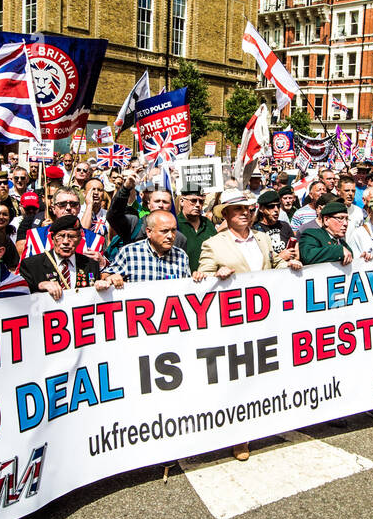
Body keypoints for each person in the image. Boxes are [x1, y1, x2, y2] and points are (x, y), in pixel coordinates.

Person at [194, 190, 301, 459]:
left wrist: (290, 264)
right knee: (237, 377)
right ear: (226, 215)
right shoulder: (214, 244)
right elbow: (201, 277)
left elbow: (274, 265)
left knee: (263, 372)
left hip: (264, 319)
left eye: (248, 209)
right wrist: (214, 275)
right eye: (238, 209)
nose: (245, 213)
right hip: (232, 324)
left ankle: (263, 421)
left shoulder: (263, 239)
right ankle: (238, 437)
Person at [19, 216, 111, 300]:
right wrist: (39, 286)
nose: (66, 241)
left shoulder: (91, 264)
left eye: (72, 236)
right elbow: (20, 300)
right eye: (61, 236)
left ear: (79, 239)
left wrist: (101, 287)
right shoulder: (32, 265)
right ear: (52, 238)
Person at [104, 210, 191, 285]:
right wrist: (111, 278)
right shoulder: (129, 253)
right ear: (149, 232)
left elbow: (187, 288)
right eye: (164, 231)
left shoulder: (181, 256)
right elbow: (105, 276)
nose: (170, 236)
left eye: (173, 230)